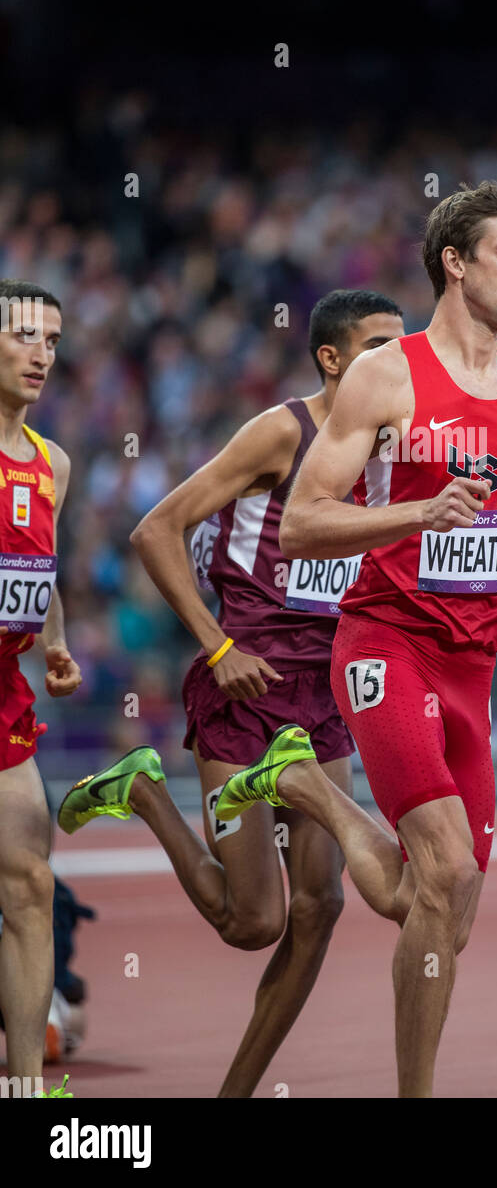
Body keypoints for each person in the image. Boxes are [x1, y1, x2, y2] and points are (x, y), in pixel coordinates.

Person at [215, 180, 497, 1098]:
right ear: (453, 263)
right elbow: (301, 520)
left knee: (442, 909)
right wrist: (421, 507)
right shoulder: (390, 375)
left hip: (474, 664)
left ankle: (307, 785)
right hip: (386, 643)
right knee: (445, 867)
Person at [57, 290, 404, 1097]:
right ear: (332, 358)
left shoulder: (390, 447)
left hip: (327, 698)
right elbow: (154, 529)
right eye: (381, 347)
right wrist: (218, 646)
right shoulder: (283, 432)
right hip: (245, 691)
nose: (398, 361)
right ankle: (141, 789)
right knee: (255, 922)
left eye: (404, 345)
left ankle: (235, 1095)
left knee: (321, 908)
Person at [0, 279, 82, 1097]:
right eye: (26, 336)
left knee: (29, 885)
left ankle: (23, 1089)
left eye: (54, 342)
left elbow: (38, 567)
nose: (42, 354)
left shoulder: (52, 461)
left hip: (5, 696)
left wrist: (52, 642)